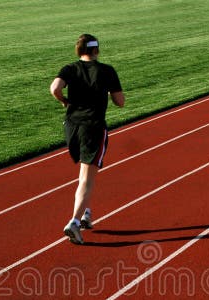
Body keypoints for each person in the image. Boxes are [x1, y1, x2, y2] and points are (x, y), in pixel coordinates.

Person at [50, 34, 125, 244]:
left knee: (83, 173)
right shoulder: (106, 71)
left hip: (71, 128)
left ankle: (85, 213)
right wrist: (110, 93)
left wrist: (65, 101)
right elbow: (120, 102)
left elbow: (54, 88)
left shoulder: (69, 68)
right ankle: (73, 222)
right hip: (93, 128)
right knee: (87, 178)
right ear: (96, 50)